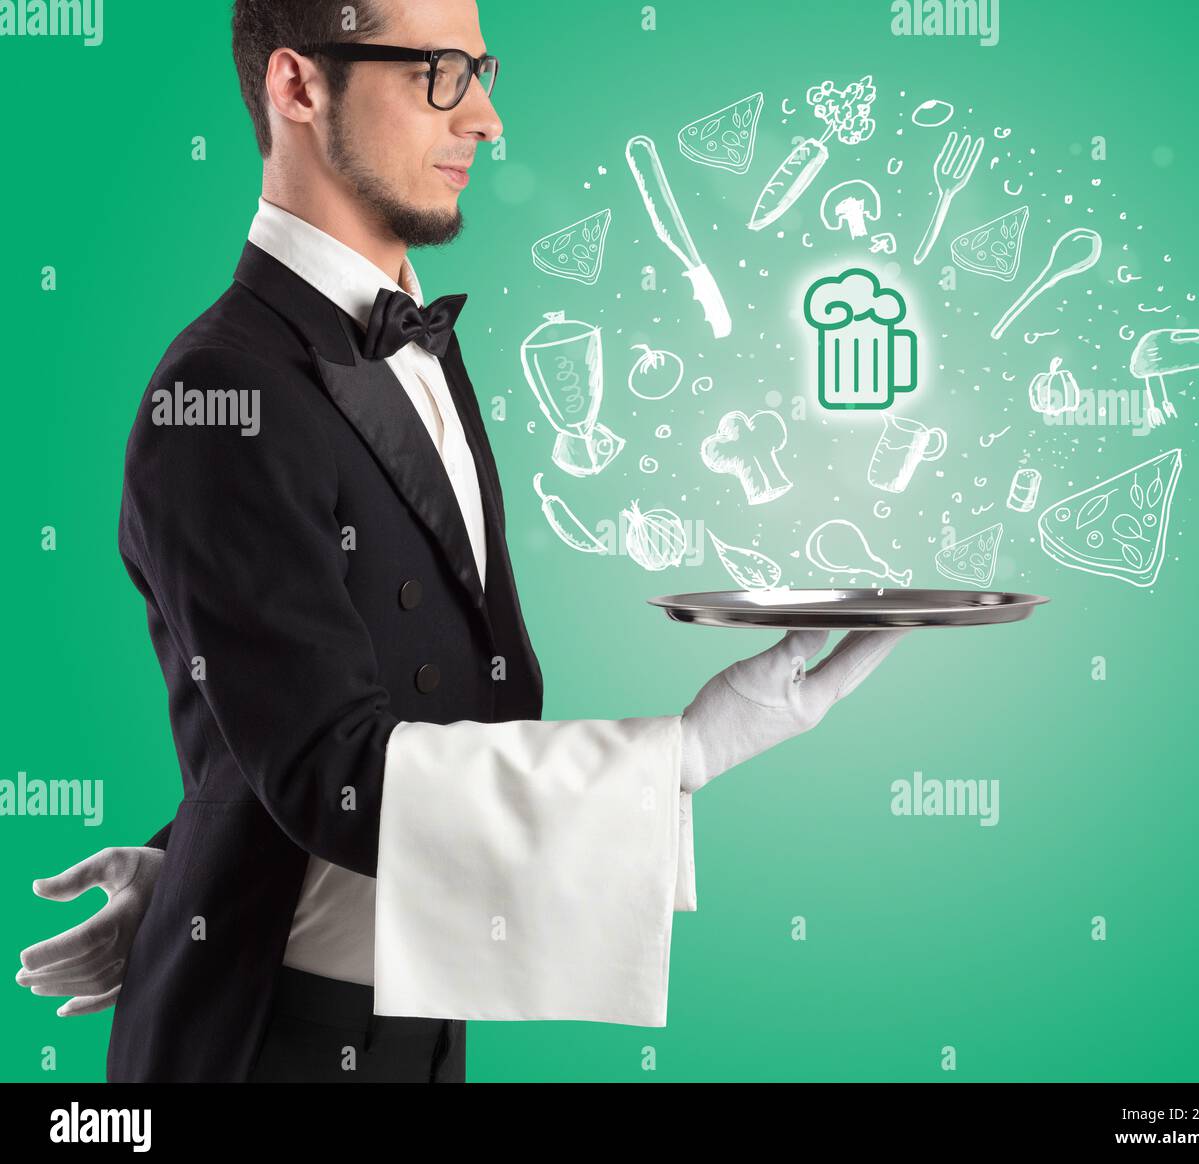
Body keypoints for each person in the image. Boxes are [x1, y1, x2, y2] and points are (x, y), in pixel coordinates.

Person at [15, 0, 907, 1083]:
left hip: (417, 1005)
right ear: (297, 88)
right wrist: (688, 752)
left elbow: (293, 702)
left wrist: (192, 864)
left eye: (481, 69)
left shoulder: (420, 344)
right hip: (269, 1041)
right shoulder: (222, 389)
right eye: (438, 72)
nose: (485, 118)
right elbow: (329, 769)